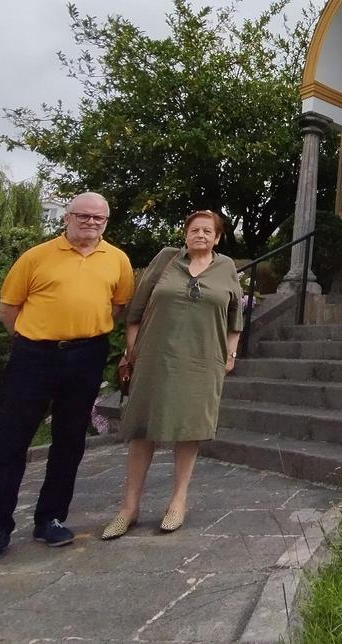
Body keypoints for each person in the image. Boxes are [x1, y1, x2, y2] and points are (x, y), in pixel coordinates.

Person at [0, 192, 134, 565]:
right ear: (67, 217)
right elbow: (8, 309)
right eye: (83, 216)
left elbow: (118, 305)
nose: (91, 223)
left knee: (70, 439)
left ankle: (51, 518)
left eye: (99, 219)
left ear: (106, 223)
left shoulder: (118, 260)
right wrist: (35, 338)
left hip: (86, 355)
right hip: (35, 355)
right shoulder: (36, 256)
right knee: (12, 440)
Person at [100, 210, 243, 539]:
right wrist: (131, 352)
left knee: (189, 428)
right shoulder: (167, 260)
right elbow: (135, 310)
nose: (201, 236)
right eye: (195, 230)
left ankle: (177, 502)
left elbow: (236, 317)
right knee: (142, 428)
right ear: (185, 234)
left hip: (203, 359)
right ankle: (129, 507)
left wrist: (230, 354)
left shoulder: (226, 268)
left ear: (218, 237)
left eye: (208, 231)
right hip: (155, 356)